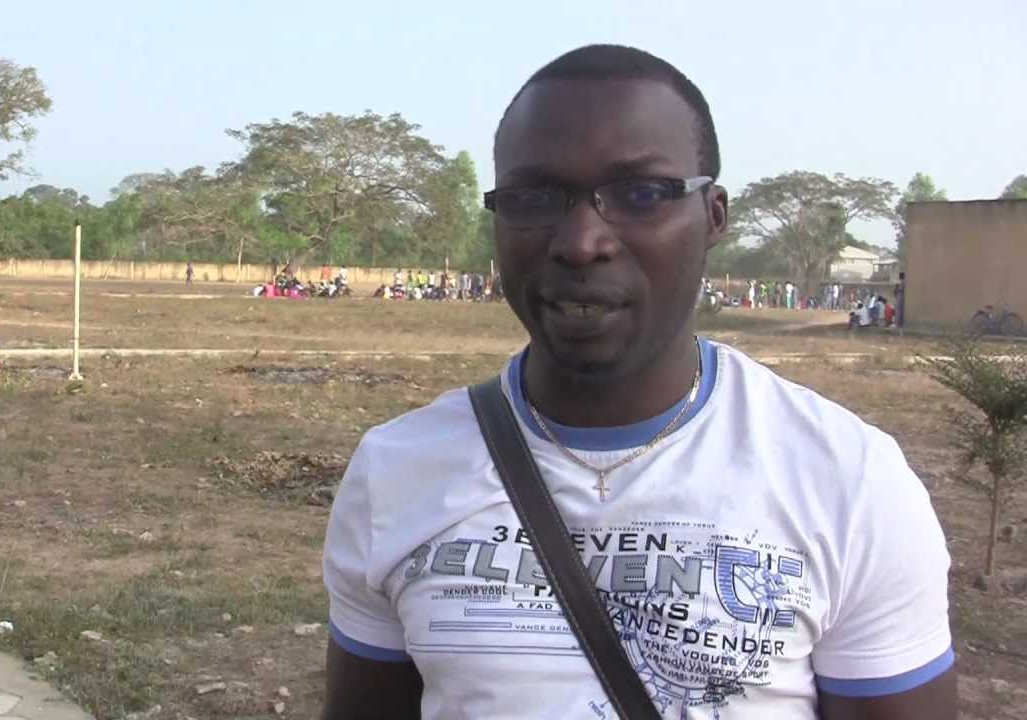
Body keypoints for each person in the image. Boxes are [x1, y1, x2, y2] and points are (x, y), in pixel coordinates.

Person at [321, 44, 955, 720]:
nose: (582, 240)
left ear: (713, 216)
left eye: (641, 194)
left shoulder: (848, 481)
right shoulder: (397, 473)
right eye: (536, 197)